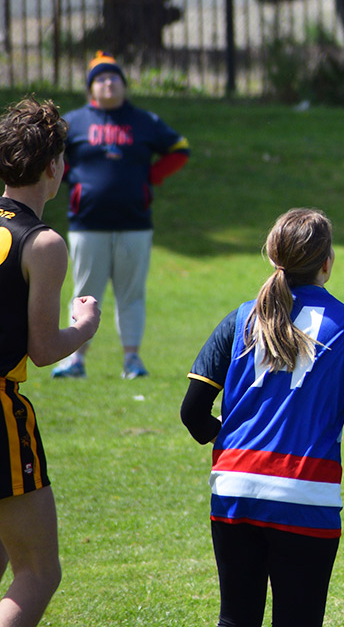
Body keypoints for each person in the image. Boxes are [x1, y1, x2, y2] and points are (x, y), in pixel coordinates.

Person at [182, 208, 344, 627]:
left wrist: (229, 443)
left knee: (235, 619)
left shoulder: (241, 318)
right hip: (305, 493)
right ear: (327, 263)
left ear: (274, 257)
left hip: (235, 488)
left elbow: (192, 412)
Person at [0, 96, 102, 627]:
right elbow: (42, 350)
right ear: (53, 167)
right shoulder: (42, 243)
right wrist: (84, 325)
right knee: (39, 572)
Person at [52, 51, 190, 380]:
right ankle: (74, 361)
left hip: (134, 223)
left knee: (131, 294)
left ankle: (132, 360)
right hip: (88, 223)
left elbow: (180, 149)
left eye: (114, 77)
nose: (108, 83)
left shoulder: (144, 121)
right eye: (100, 78)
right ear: (91, 87)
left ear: (124, 84)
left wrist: (150, 178)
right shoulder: (74, 122)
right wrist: (71, 179)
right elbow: (50, 155)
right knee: (84, 293)